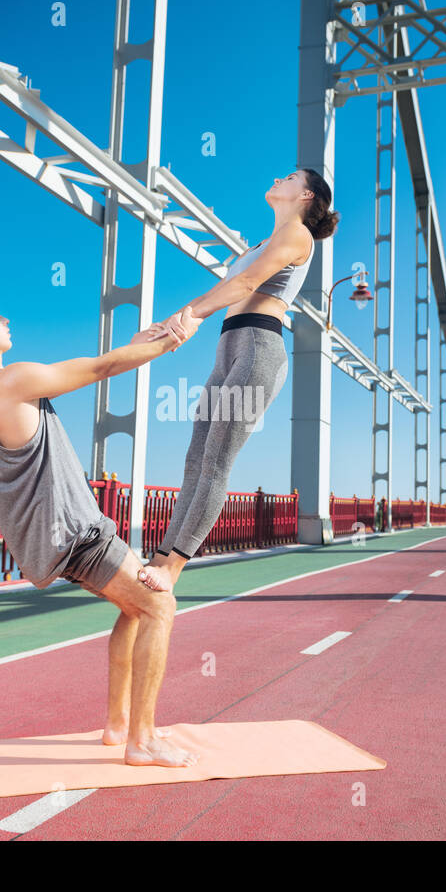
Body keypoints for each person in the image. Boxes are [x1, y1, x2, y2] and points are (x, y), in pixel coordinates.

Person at [0, 285, 203, 768]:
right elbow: (101, 367)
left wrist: (148, 338)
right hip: (75, 533)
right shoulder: (9, 380)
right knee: (158, 606)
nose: (5, 318)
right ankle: (144, 741)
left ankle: (118, 726)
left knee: (135, 611)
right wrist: (173, 340)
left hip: (63, 535)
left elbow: (110, 357)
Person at [136, 168, 340, 593]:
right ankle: (160, 553)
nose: (277, 178)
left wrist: (191, 316)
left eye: (288, 177)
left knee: (216, 460)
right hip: (227, 347)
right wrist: (173, 320)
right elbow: (227, 286)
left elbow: (247, 283)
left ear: (305, 194)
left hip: (259, 348)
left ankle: (173, 567)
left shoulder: (299, 236)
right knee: (195, 458)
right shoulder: (258, 244)